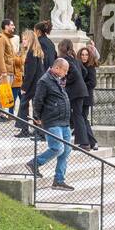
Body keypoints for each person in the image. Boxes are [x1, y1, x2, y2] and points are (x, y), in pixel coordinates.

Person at [28, 57, 74, 190]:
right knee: (57, 147)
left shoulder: (59, 80)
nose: (66, 73)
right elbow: (37, 101)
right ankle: (35, 163)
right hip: (52, 120)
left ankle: (59, 180)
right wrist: (38, 117)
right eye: (65, 70)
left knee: (66, 150)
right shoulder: (44, 81)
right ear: (57, 68)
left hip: (64, 121)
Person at [58, 39, 94, 150]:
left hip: (76, 91)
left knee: (78, 116)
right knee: (78, 116)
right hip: (81, 90)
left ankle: (84, 143)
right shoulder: (74, 59)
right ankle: (84, 142)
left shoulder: (65, 59)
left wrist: (66, 81)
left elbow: (74, 72)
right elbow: (84, 71)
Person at [14, 29, 38, 137]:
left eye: (25, 39)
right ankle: (28, 129)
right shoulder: (34, 51)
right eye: (22, 39)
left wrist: (24, 87)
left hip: (32, 84)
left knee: (24, 104)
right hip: (35, 84)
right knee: (31, 105)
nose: (23, 41)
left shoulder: (32, 53)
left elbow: (31, 73)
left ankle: (25, 129)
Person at [0, 18, 17, 121]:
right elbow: (0, 56)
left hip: (9, 70)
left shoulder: (7, 38)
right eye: (11, 25)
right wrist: (3, 72)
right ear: (6, 26)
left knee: (5, 92)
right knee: (1, 92)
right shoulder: (1, 38)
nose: (13, 27)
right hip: (5, 71)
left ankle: (2, 113)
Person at [78, 43, 100, 150]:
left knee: (83, 119)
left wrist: (81, 85)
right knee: (82, 119)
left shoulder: (90, 67)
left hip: (86, 97)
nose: (84, 57)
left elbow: (92, 83)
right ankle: (89, 141)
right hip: (79, 97)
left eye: (86, 55)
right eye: (82, 55)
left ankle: (92, 141)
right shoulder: (78, 66)